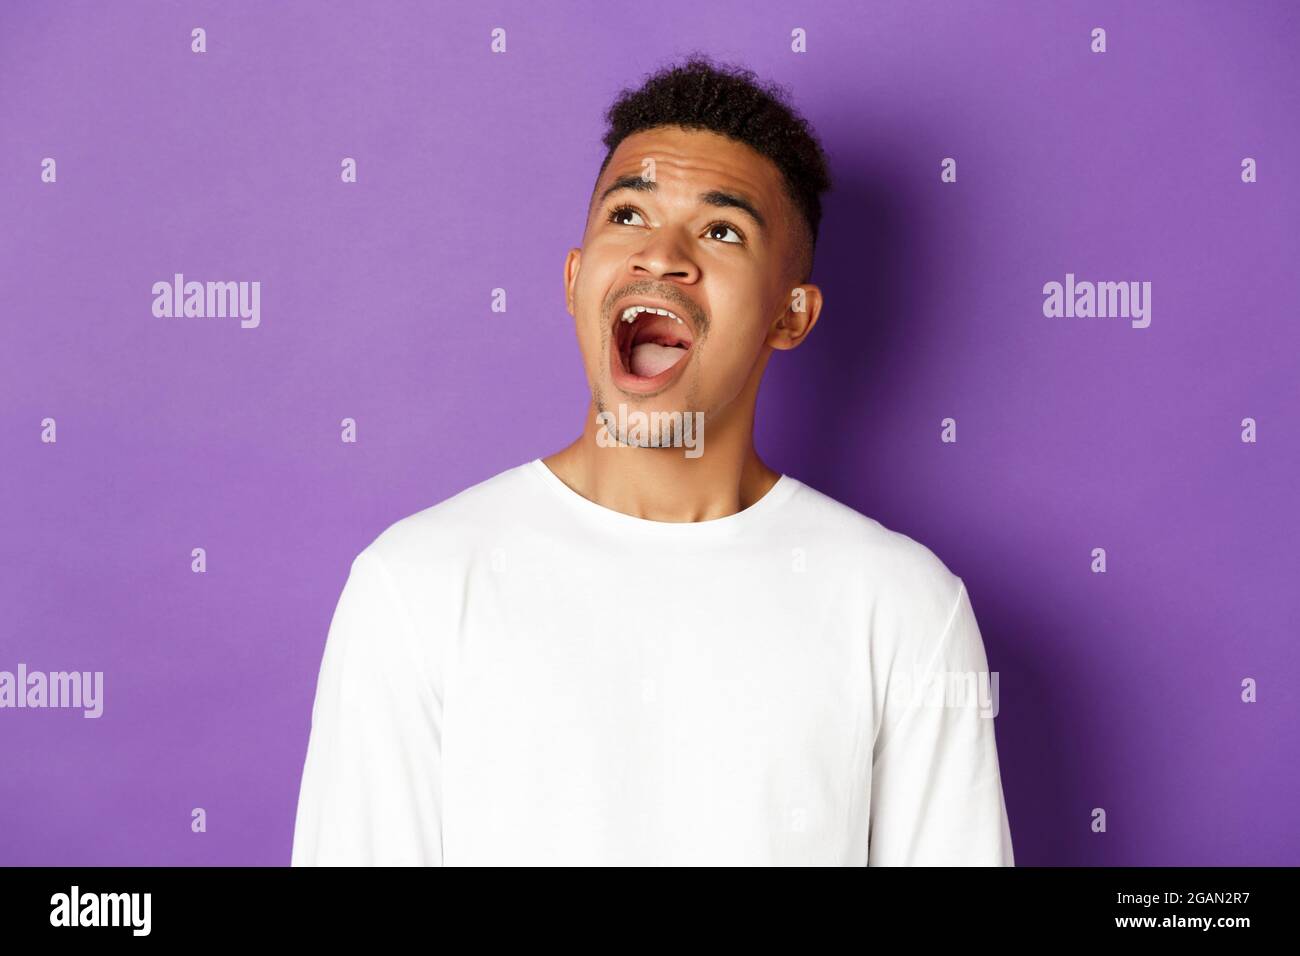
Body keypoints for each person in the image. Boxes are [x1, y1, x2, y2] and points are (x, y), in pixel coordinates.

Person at [291, 55, 1015, 866]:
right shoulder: (412, 585)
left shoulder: (905, 607)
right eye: (629, 215)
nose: (663, 255)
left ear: (791, 314)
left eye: (721, 230)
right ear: (575, 279)